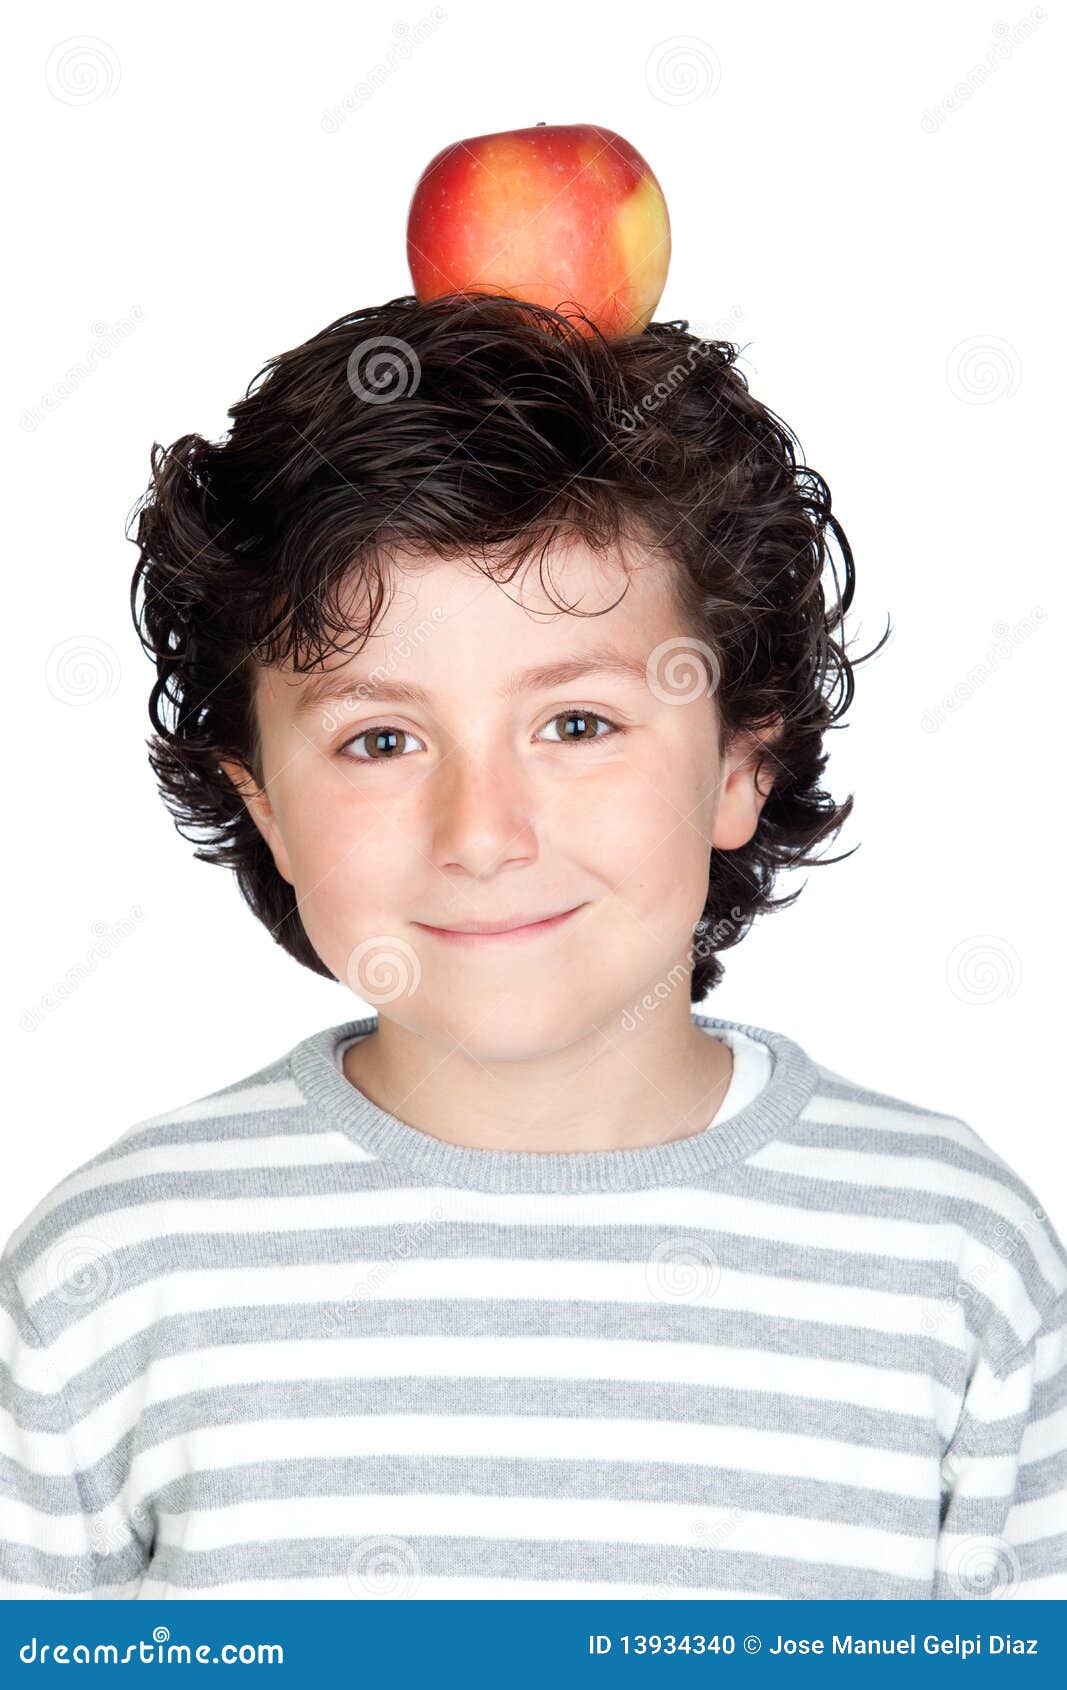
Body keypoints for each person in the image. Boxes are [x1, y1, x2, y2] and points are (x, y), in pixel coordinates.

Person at [2, 295, 1064, 1600]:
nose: (484, 833)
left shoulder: (957, 1263)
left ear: (740, 757)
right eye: (380, 740)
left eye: (576, 722)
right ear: (264, 802)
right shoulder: (108, 1281)